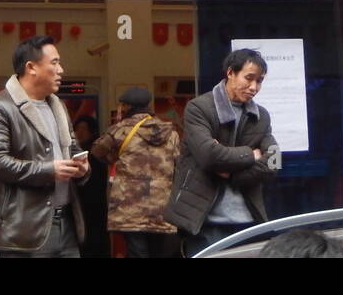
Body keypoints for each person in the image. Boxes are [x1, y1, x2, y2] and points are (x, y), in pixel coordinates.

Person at [0, 34, 90, 256]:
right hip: (23, 230)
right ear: (31, 67)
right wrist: (49, 170)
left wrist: (82, 168)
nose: (61, 70)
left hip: (66, 222)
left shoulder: (57, 105)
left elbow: (73, 150)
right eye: (55, 63)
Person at [164, 48, 278, 257]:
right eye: (249, 78)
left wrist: (230, 173)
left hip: (248, 221)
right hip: (206, 221)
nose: (254, 87)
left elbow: (274, 162)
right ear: (230, 73)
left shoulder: (261, 115)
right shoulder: (199, 108)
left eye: (259, 81)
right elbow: (209, 156)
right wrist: (251, 155)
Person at [91, 86, 181, 258]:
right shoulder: (171, 133)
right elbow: (179, 162)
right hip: (162, 207)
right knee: (158, 252)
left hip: (129, 208)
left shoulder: (121, 129)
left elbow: (96, 152)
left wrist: (112, 156)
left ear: (126, 107)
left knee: (136, 253)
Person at [73, 114, 111, 257]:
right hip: (80, 205)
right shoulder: (73, 153)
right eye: (77, 129)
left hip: (97, 205)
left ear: (92, 131)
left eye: (84, 129)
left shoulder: (97, 154)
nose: (80, 133)